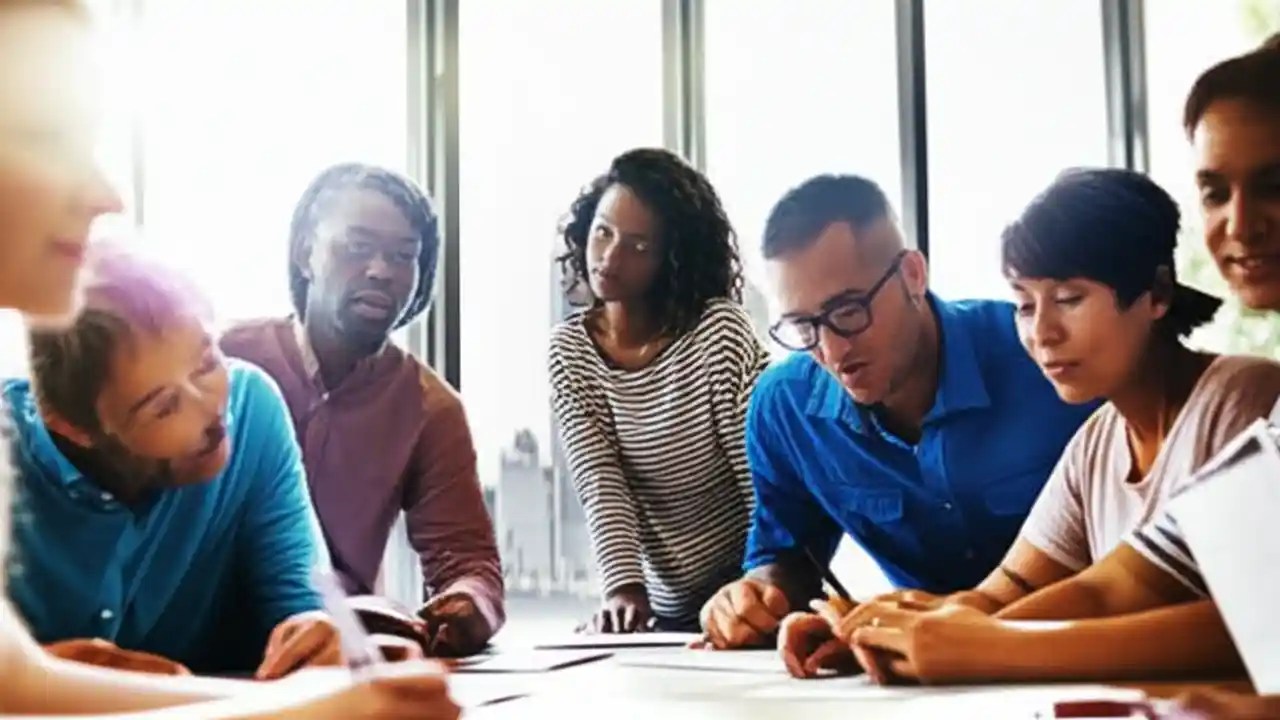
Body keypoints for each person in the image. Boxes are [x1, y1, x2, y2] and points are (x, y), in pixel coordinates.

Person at [0, 2, 457, 717]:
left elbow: (19, 682)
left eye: (206, 357)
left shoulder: (257, 406)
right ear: (74, 424)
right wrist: (325, 708)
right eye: (41, 138)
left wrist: (329, 672)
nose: (107, 194)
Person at [834, 40, 1280, 699]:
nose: (1041, 332)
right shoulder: (1097, 441)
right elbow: (1111, 586)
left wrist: (987, 646)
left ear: (1156, 295)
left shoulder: (1244, 398)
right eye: (1214, 191)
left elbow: (1251, 622)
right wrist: (885, 636)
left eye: (1069, 299)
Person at [699, 174, 1097, 650]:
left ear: (912, 275)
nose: (831, 351)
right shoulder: (785, 409)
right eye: (804, 327)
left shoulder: (1045, 359)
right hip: (912, 668)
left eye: (847, 311)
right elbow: (785, 561)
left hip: (1073, 651)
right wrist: (754, 598)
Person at [221, 163, 502, 657]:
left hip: (336, 652)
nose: (381, 270)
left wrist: (466, 602)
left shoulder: (431, 408)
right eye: (357, 247)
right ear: (306, 252)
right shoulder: (224, 363)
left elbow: (468, 563)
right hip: (204, 652)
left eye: (403, 256)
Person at [549, 147, 769, 633]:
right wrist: (624, 591)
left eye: (638, 246)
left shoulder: (720, 334)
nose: (609, 257)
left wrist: (762, 585)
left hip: (753, 595)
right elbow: (600, 482)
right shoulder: (571, 351)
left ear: (671, 258)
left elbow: (763, 481)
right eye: (603, 232)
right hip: (665, 614)